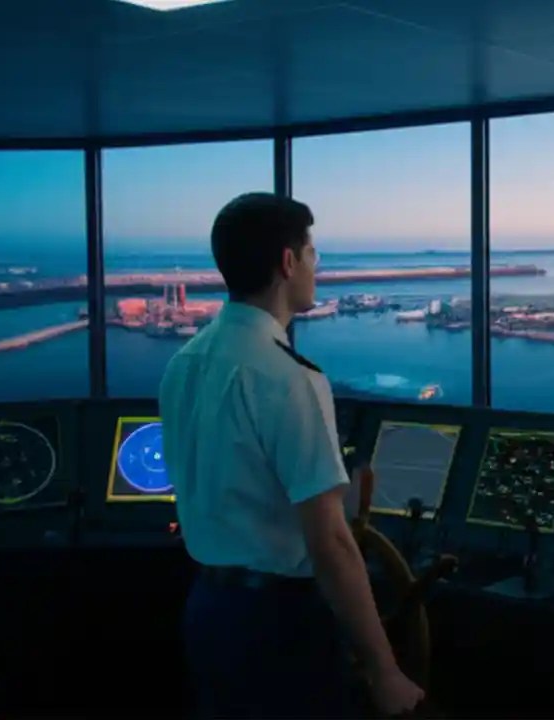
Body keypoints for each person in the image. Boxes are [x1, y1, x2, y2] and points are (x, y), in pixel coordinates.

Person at [159, 192, 424, 718]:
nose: (316, 266)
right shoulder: (288, 378)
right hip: (280, 623)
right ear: (287, 262)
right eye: (312, 253)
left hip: (210, 611)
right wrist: (384, 670)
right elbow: (329, 542)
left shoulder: (184, 363)